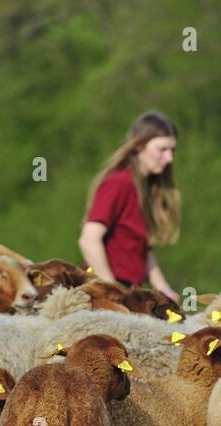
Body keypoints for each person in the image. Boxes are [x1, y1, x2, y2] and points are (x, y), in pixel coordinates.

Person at [79, 111, 181, 300]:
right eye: (162, 149)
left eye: (172, 150)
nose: (169, 158)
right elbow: (89, 239)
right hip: (104, 293)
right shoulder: (119, 183)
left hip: (129, 291)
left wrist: (164, 290)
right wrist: (112, 289)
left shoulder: (145, 189)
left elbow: (141, 249)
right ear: (140, 145)